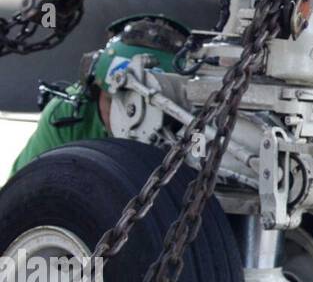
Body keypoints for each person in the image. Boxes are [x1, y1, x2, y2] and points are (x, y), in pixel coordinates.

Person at [10, 15, 191, 175]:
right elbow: (22, 191)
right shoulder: (67, 115)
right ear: (94, 87)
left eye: (146, 106)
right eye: (111, 100)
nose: (121, 116)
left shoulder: (194, 129)